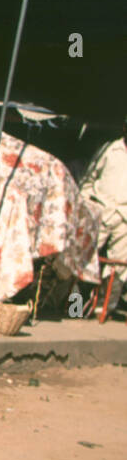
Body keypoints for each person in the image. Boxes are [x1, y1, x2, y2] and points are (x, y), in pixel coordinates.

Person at [81, 116, 127, 314]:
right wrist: (88, 203)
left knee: (119, 268)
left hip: (124, 218)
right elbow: (89, 178)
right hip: (101, 211)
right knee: (84, 260)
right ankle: (74, 307)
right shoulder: (109, 150)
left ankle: (103, 309)